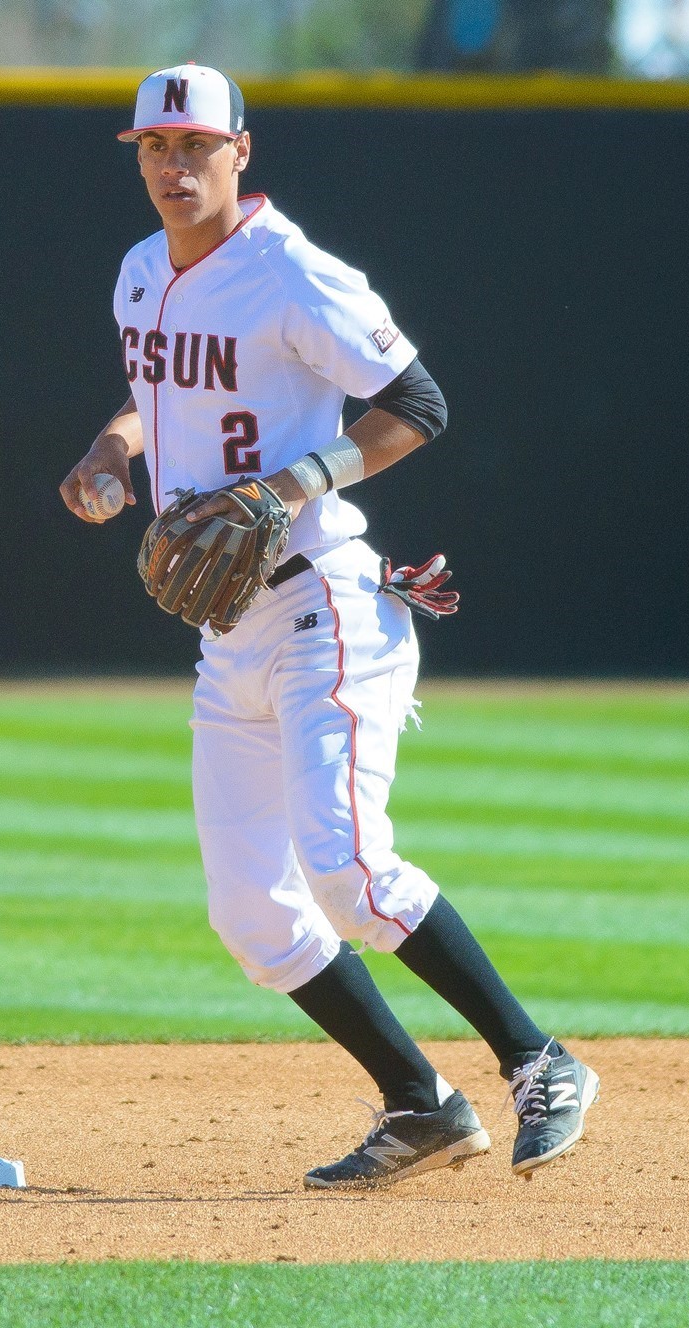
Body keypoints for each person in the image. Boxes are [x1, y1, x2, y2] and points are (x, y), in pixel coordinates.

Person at [58, 63, 600, 1189]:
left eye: (193, 146)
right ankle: (419, 1104)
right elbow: (158, 400)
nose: (171, 165)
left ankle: (536, 1057)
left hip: (323, 603)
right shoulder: (136, 272)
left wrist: (295, 479)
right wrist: (115, 448)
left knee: (348, 868)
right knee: (251, 913)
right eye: (154, 147)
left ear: (238, 151)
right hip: (229, 636)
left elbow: (418, 403)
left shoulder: (289, 271)